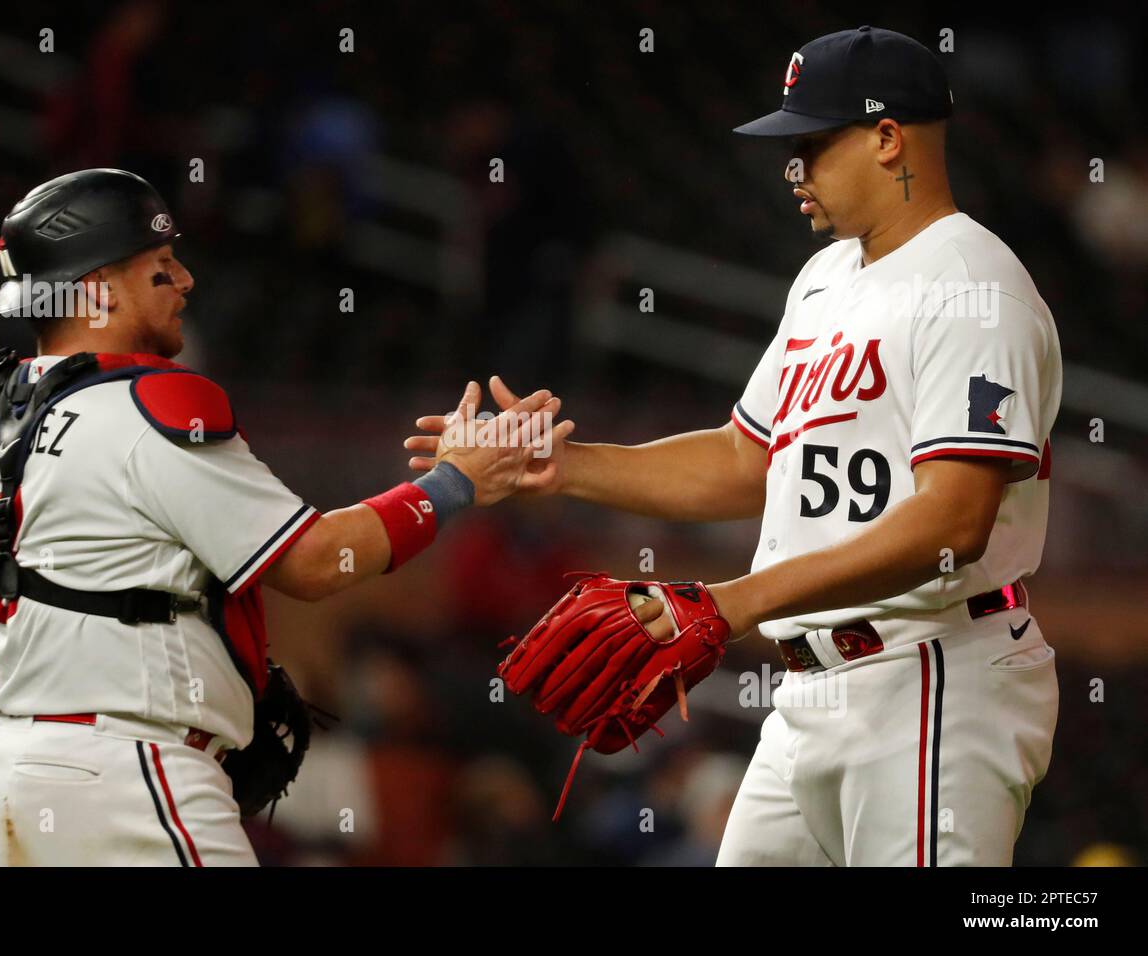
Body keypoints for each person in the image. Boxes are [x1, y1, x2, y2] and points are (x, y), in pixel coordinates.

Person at [408, 27, 1061, 867]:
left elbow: (954, 522)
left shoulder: (974, 287)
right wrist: (567, 468)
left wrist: (732, 602)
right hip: (808, 694)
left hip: (934, 674)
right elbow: (746, 458)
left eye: (810, 145)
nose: (793, 170)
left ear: (888, 137)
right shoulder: (825, 279)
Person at [0, 168, 571, 866]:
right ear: (99, 287)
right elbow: (317, 561)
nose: (186, 280)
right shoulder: (149, 407)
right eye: (161, 266)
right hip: (126, 780)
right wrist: (454, 483)